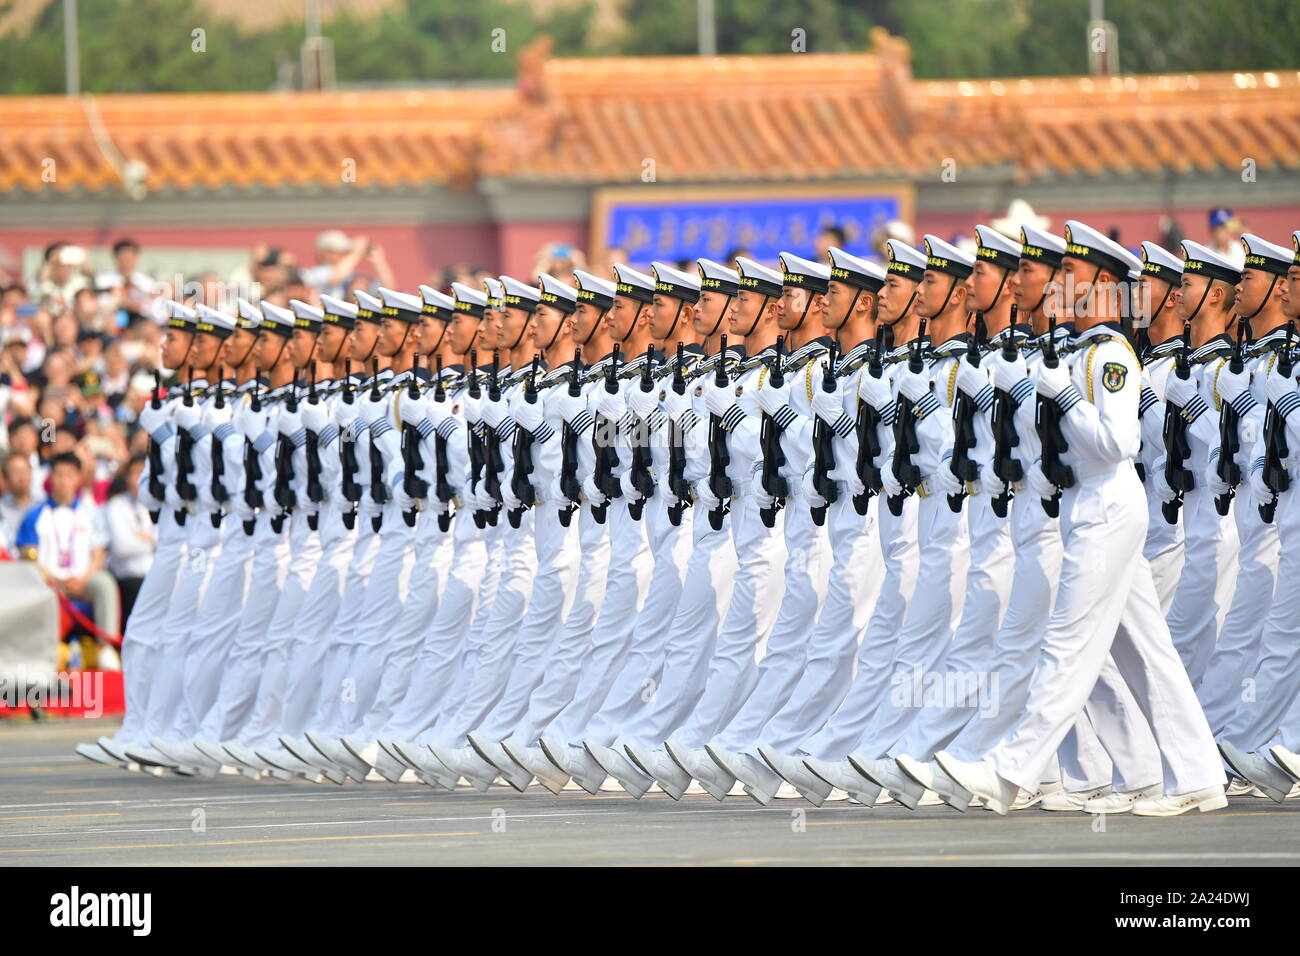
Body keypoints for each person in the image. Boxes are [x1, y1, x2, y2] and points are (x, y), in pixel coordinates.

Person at [14, 451, 115, 670]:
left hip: (83, 580)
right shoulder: (35, 515)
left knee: (105, 583)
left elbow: (98, 553)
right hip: (49, 583)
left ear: (79, 477)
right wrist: (55, 581)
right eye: (59, 475)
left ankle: (106, 647)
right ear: (51, 478)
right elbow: (29, 557)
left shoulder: (92, 513)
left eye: (69, 475)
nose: (64, 481)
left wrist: (83, 578)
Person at [104, 452, 155, 623]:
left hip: (157, 575)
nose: (138, 479)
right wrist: (152, 543)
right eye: (134, 473)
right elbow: (122, 548)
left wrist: (143, 539)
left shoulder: (162, 505)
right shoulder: (116, 505)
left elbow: (172, 543)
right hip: (129, 578)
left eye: (143, 472)